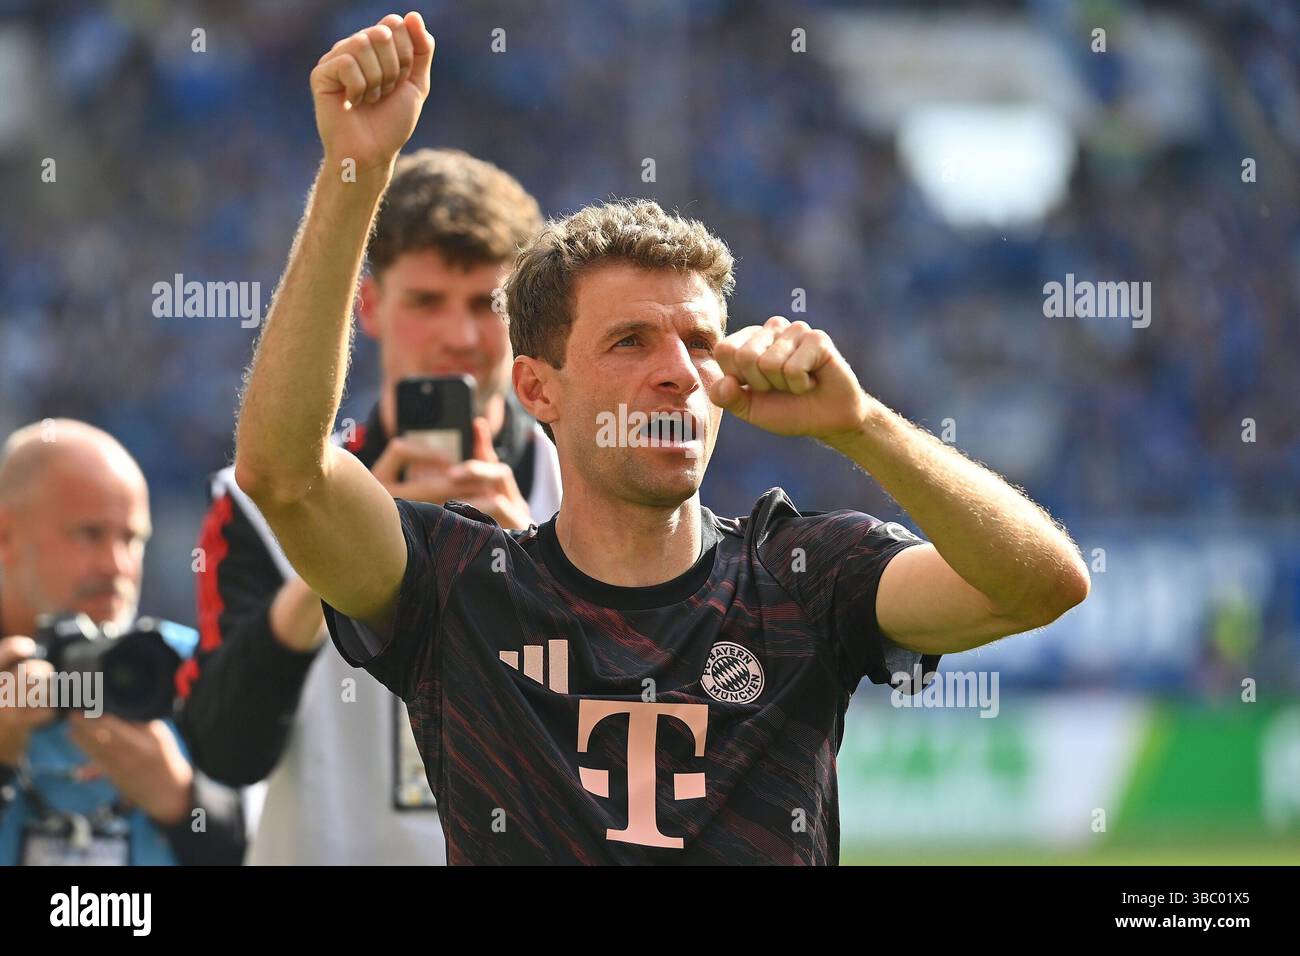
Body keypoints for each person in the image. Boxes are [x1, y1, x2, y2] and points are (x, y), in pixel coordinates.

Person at [234, 11, 1090, 863]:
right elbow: (285, 477)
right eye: (630, 341)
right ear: (537, 387)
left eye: (701, 344)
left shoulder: (803, 575)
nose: (678, 371)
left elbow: (1040, 587)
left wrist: (862, 426)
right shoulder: (459, 585)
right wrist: (358, 168)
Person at [176, 139, 556, 861]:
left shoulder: (585, 490)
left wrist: (538, 566)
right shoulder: (261, 498)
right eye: (427, 302)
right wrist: (332, 549)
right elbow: (223, 751)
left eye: (486, 303)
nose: (460, 335)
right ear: (370, 306)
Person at [0, 419, 243, 865]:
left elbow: (275, 843)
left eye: (132, 539)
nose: (117, 566)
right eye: (89, 534)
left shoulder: (184, 666)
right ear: (5, 535)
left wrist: (184, 801)